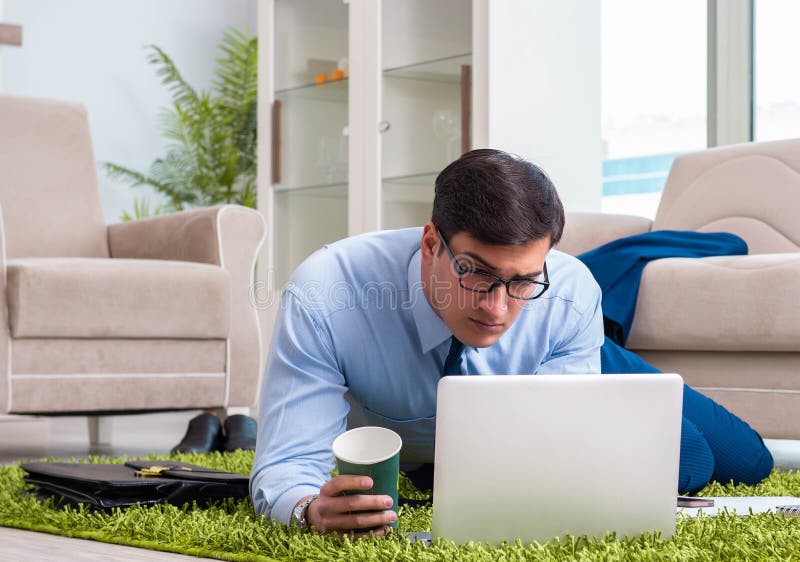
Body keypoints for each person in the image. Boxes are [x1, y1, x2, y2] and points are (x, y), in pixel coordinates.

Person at [250, 149, 771, 536]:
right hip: (455, 420)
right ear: (431, 242)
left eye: (522, 281)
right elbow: (286, 466)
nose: (497, 309)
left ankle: (604, 347)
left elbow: (562, 454)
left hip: (561, 354)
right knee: (692, 461)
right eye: (477, 274)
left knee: (734, 462)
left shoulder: (563, 293)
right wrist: (307, 510)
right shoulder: (326, 294)